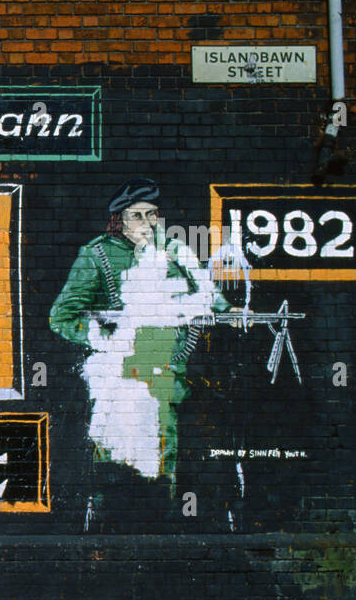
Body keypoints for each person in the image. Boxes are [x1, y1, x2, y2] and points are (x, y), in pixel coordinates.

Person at [49, 178, 229, 509]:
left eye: (152, 215)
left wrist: (198, 309)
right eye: (137, 215)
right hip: (116, 376)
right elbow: (62, 316)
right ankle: (109, 514)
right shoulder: (96, 255)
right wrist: (102, 337)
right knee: (112, 447)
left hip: (165, 372)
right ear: (119, 218)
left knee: (163, 452)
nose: (146, 223)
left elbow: (215, 303)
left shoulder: (176, 251)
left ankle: (163, 513)